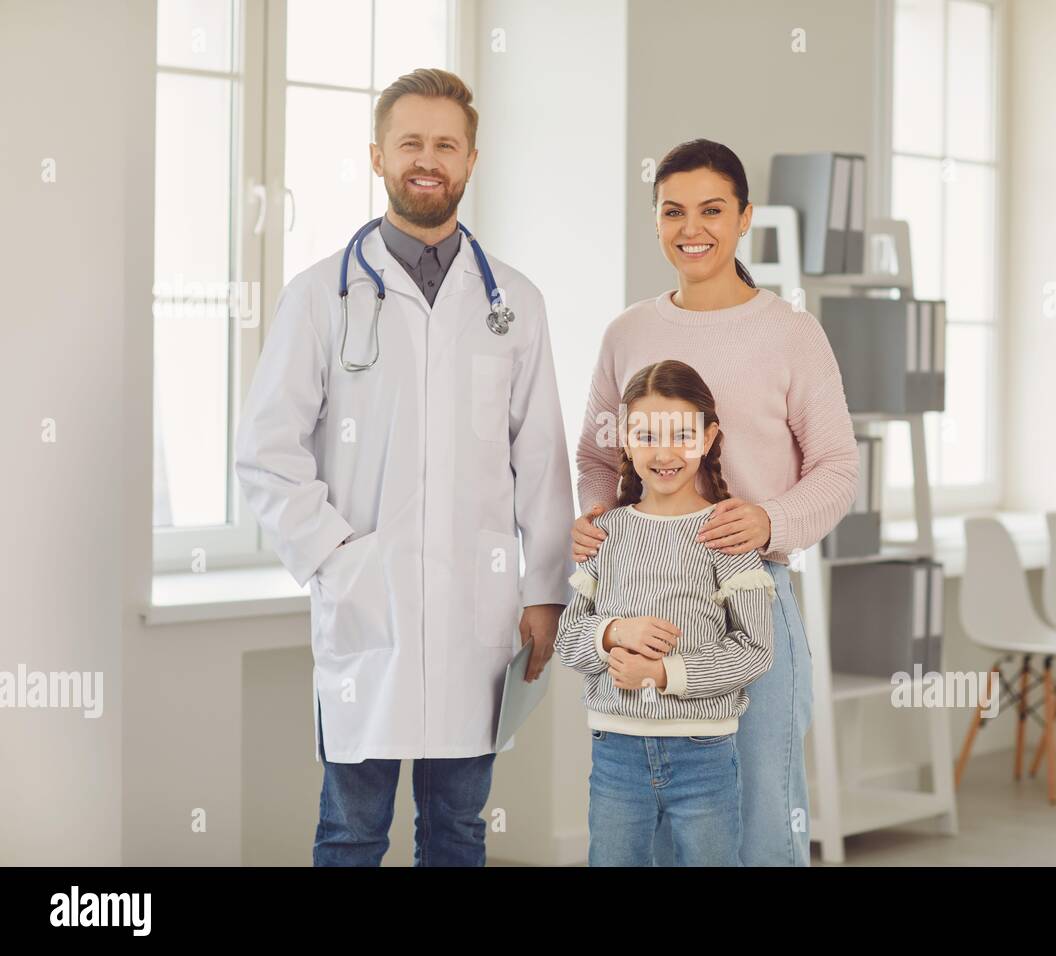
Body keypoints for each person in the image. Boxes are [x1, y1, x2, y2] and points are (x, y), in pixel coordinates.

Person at [234, 68, 573, 866]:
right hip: (366, 609)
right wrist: (338, 561)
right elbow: (266, 450)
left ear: (471, 160)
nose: (429, 159)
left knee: (456, 832)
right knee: (351, 834)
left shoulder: (513, 303)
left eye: (446, 144)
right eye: (411, 142)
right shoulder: (320, 295)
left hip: (477, 612)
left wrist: (545, 590)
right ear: (378, 157)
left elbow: (544, 457)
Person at [572, 140, 858, 866]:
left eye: (711, 210)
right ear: (657, 219)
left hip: (750, 596)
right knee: (663, 822)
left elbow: (837, 467)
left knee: (764, 809)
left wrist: (773, 521)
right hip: (648, 609)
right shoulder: (627, 331)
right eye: (673, 211)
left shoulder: (791, 332)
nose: (690, 228)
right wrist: (601, 528)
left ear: (744, 218)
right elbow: (597, 456)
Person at [555, 360, 775, 866]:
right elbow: (569, 639)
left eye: (681, 434)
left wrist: (661, 672)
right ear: (625, 442)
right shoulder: (605, 533)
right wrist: (612, 632)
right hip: (616, 749)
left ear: (709, 437)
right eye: (647, 434)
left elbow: (755, 650)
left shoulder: (727, 536)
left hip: (704, 752)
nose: (665, 451)